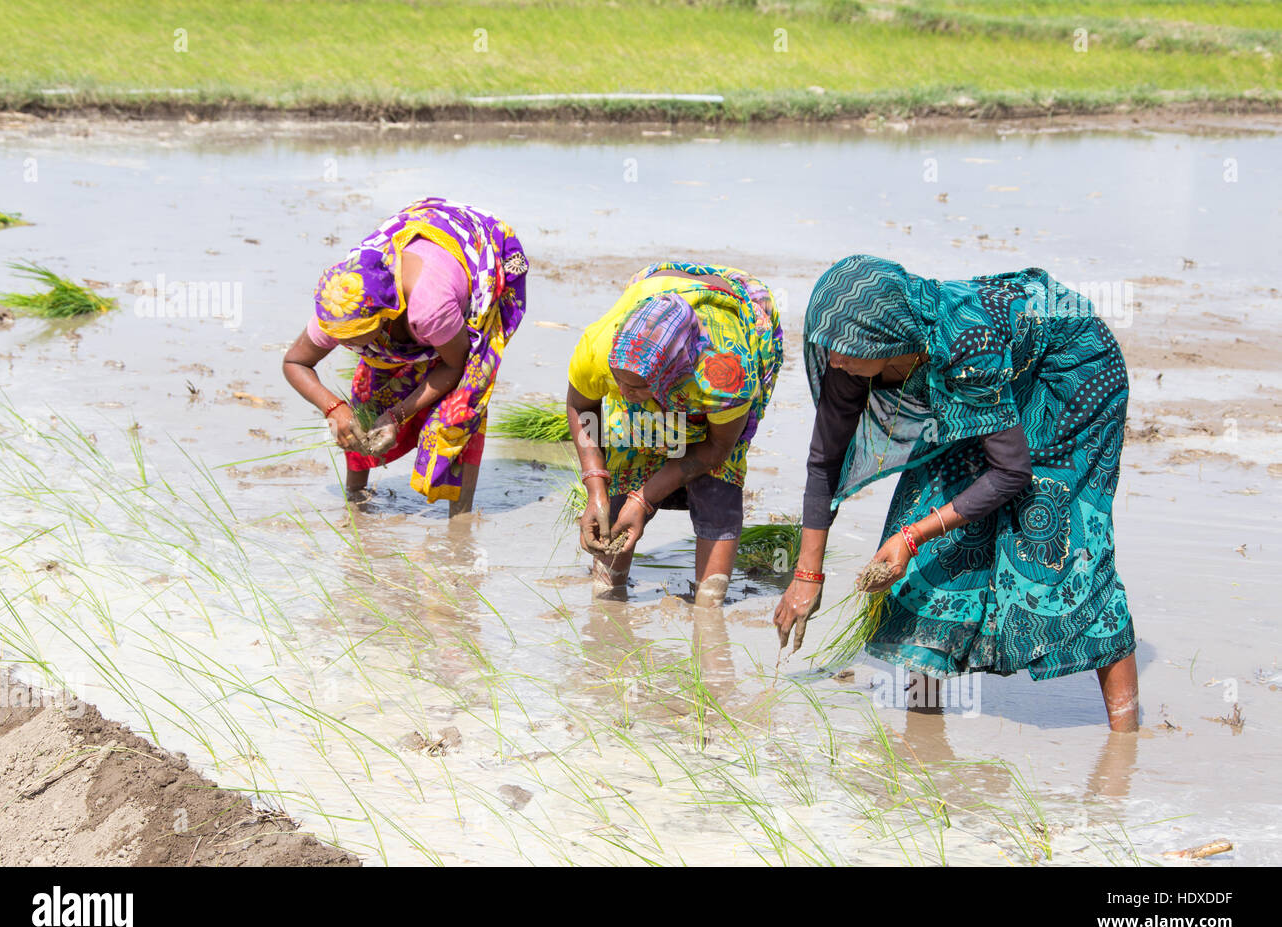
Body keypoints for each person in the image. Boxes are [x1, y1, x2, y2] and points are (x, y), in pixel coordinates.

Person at [773, 255, 1139, 731]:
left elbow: (1011, 473)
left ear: (888, 338)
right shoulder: (851, 361)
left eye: (846, 350)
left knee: (1063, 544)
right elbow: (824, 462)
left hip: (1070, 373)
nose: (835, 360)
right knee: (931, 533)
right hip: (986, 380)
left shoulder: (967, 343)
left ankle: (1125, 739)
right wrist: (807, 574)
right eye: (829, 347)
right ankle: (923, 731)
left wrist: (910, 538)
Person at [282, 198, 527, 515]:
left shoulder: (430, 308)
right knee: (366, 396)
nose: (342, 344)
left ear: (386, 314)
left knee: (461, 404)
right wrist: (335, 408)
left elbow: (457, 365)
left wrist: (398, 414)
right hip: (420, 246)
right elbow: (295, 362)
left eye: (354, 337)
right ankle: (356, 500)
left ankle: (460, 517)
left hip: (480, 250)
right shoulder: (343, 304)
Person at [565, 263, 782, 606]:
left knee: (716, 486)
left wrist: (646, 498)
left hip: (740, 313)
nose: (621, 389)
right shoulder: (601, 346)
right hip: (656, 296)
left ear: (671, 374)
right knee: (628, 457)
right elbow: (580, 405)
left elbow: (719, 447)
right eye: (617, 378)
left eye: (635, 385)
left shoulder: (724, 376)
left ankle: (709, 604)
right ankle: (608, 592)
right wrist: (596, 487)